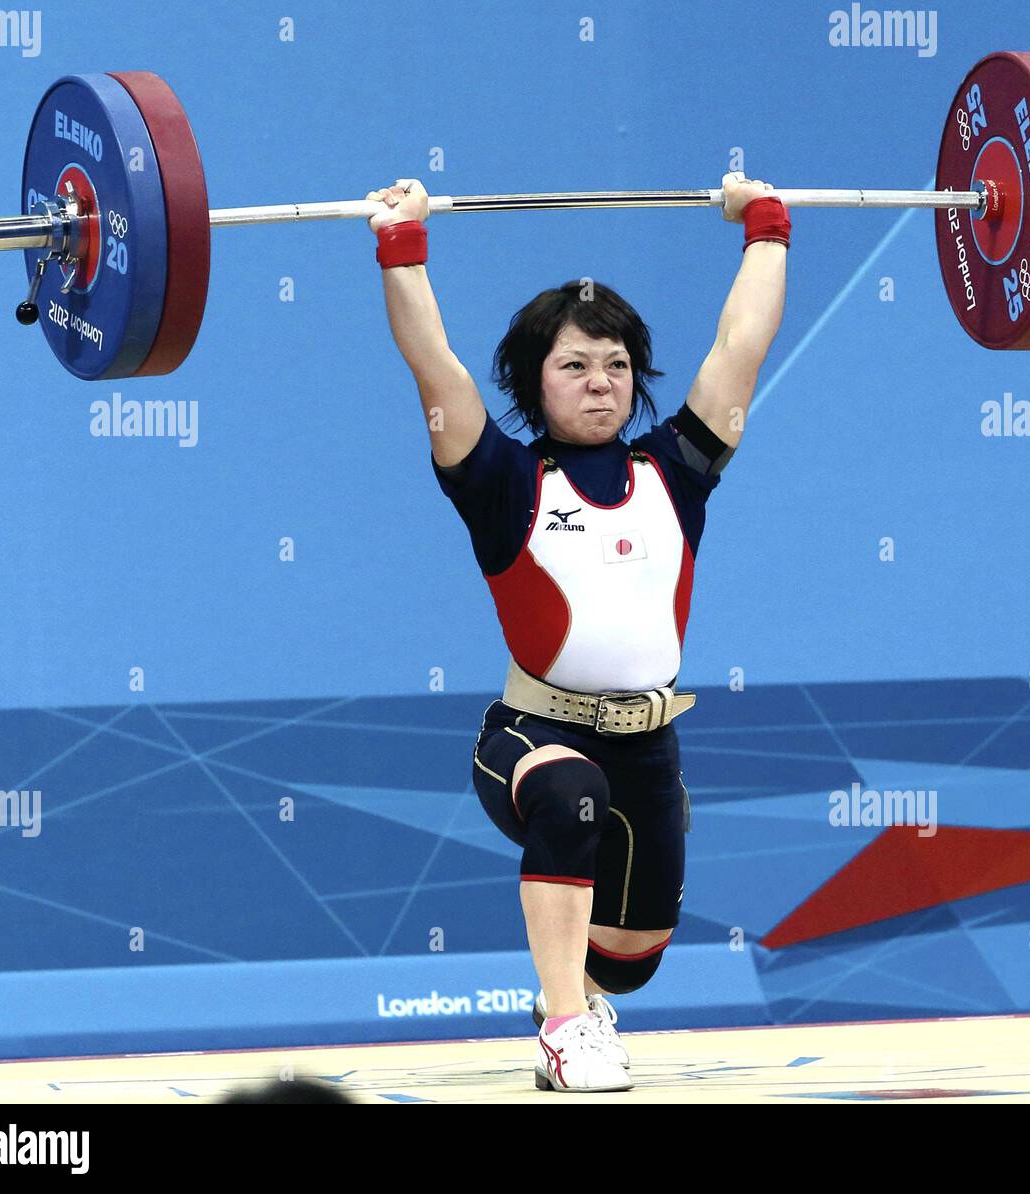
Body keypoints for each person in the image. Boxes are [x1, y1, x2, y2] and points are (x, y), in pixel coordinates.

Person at [366, 172, 788, 1091]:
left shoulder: (675, 470)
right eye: (573, 366)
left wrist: (766, 224)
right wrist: (401, 242)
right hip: (533, 735)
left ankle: (587, 990)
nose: (599, 384)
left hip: (651, 745)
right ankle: (566, 1028)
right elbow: (432, 360)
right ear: (533, 381)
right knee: (570, 796)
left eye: (616, 367)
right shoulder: (500, 479)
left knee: (635, 955)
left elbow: (741, 348)